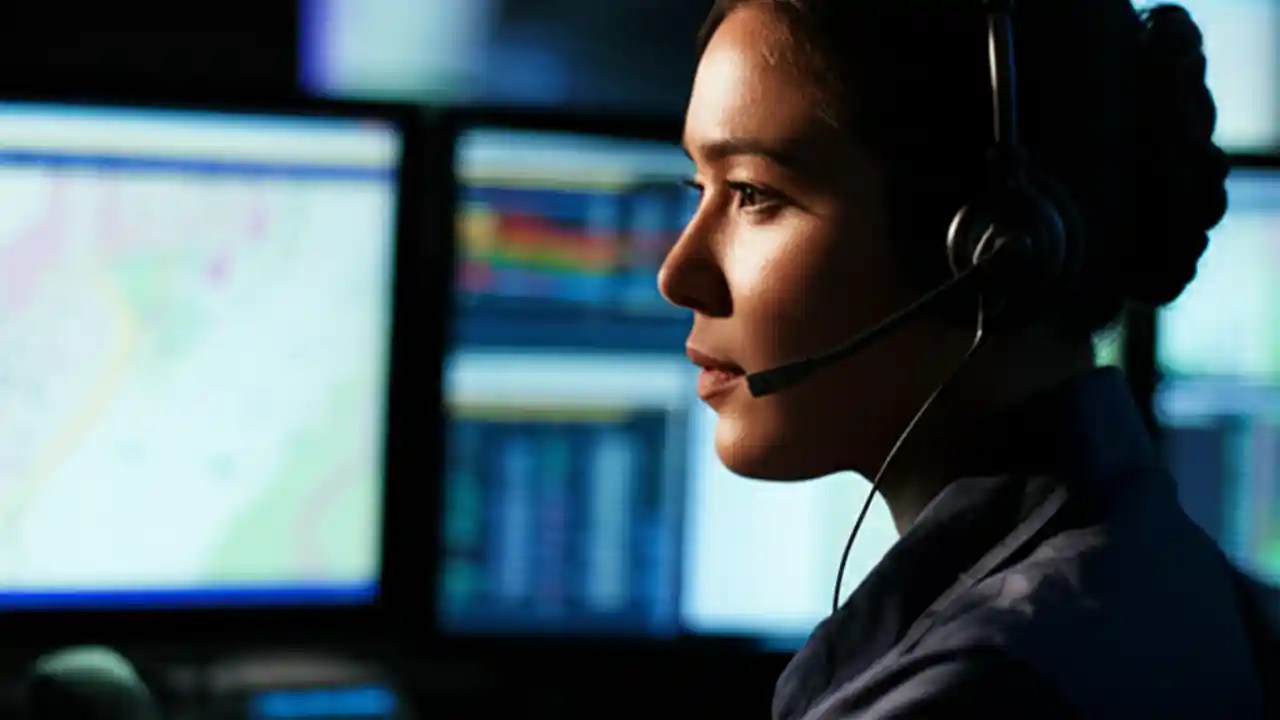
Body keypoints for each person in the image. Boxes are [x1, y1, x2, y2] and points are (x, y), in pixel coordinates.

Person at [658, 0, 1272, 717]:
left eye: (752, 193)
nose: (677, 274)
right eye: (698, 188)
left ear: (992, 248)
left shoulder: (980, 690)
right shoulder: (1183, 591)